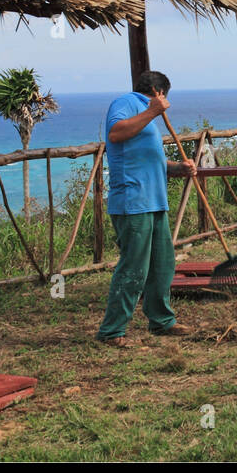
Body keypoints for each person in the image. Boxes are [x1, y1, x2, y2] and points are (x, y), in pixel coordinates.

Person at [95, 70, 197, 347]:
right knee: (134, 268)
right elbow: (115, 135)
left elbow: (151, 162)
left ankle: (161, 321)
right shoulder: (126, 103)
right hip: (133, 201)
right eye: (165, 97)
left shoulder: (148, 115)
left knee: (162, 265)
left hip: (155, 201)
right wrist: (152, 110)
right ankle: (112, 331)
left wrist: (178, 168)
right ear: (158, 91)